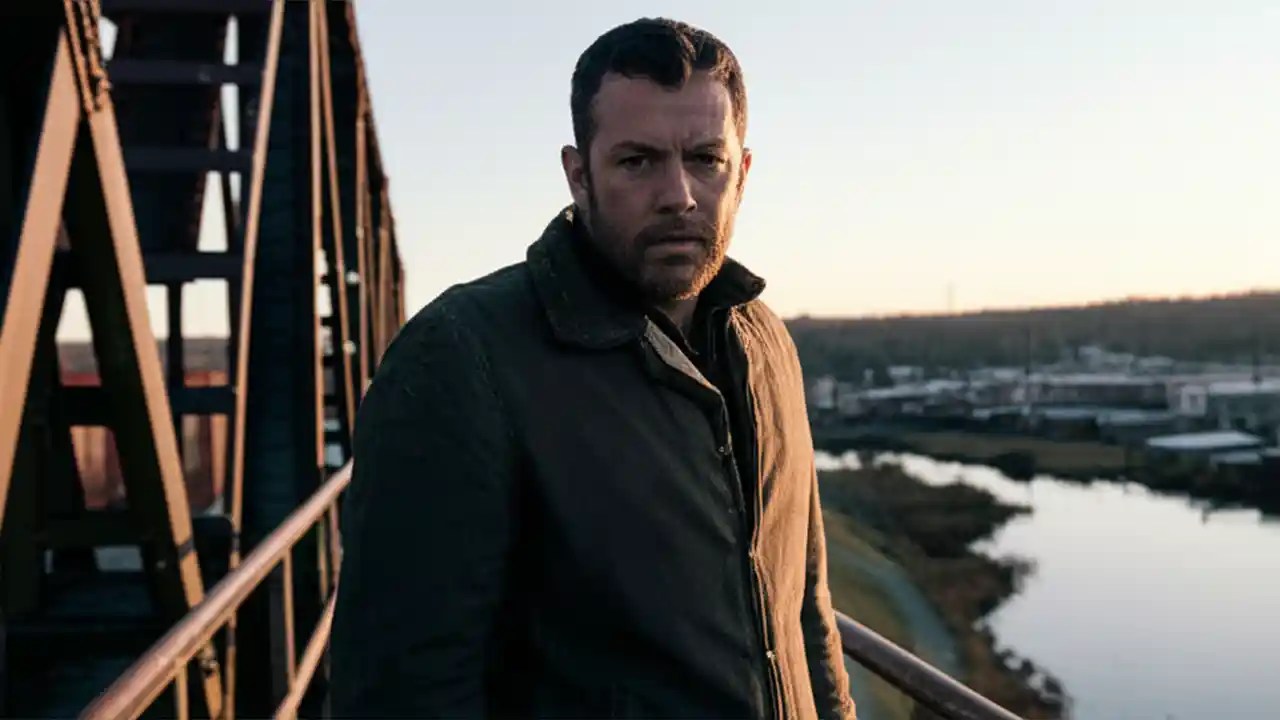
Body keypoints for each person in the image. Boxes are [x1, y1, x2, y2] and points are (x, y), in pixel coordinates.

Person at [329, 17, 857, 720]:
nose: (679, 195)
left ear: (743, 169)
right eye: (638, 162)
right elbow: (404, 688)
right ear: (579, 174)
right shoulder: (463, 355)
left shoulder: (763, 340)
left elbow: (805, 608)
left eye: (706, 159)